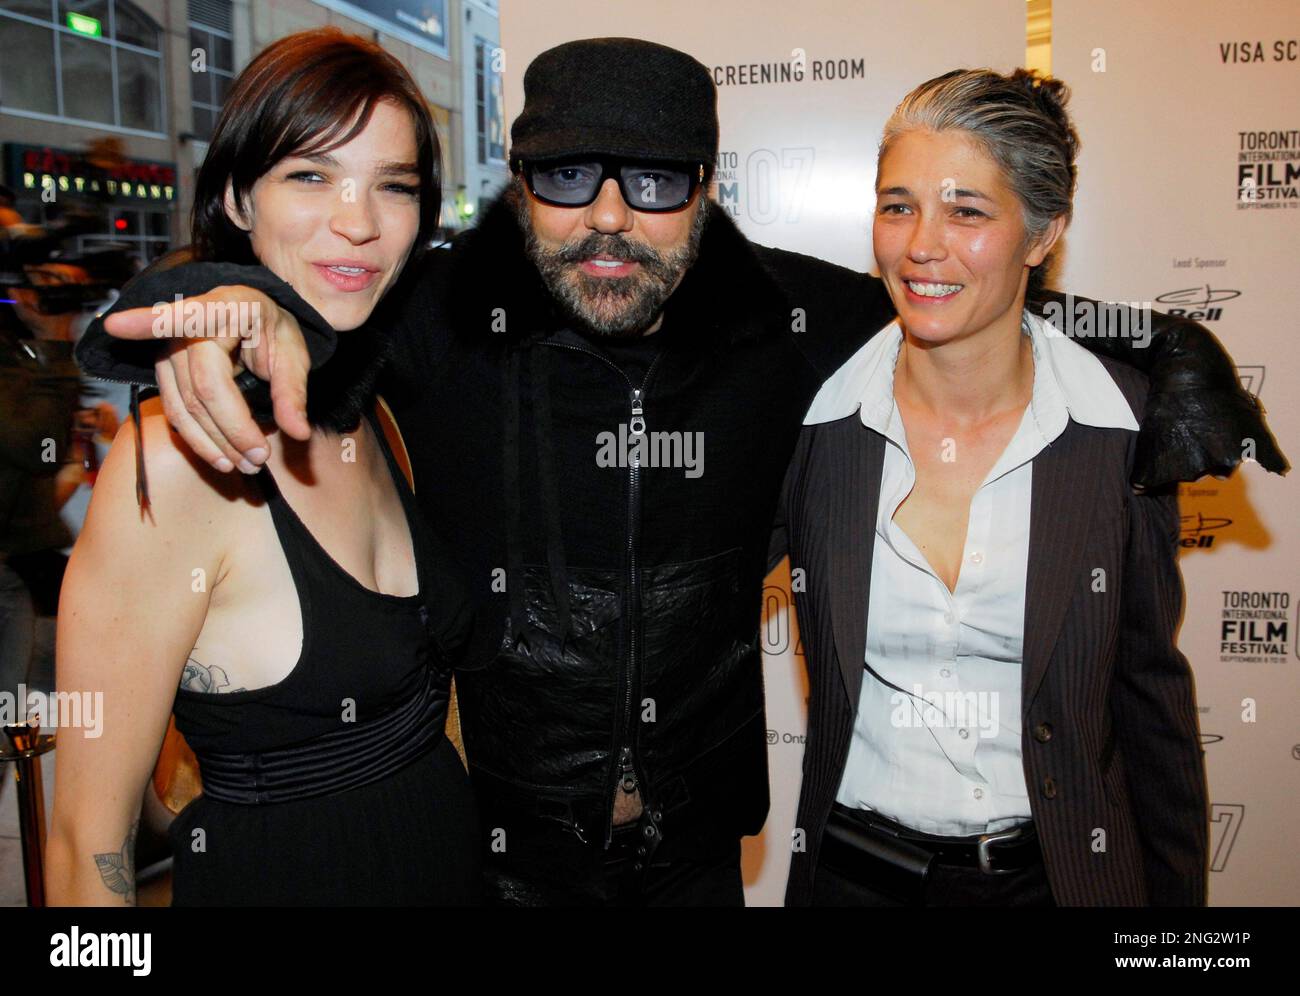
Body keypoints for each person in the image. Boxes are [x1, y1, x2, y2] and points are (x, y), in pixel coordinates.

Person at [73, 39, 1283, 906]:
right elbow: (286, 295)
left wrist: (1163, 352)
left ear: (706, 194)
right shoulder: (432, 319)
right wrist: (209, 298)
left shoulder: (795, 323)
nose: (607, 218)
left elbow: (964, 295)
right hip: (494, 865)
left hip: (700, 865)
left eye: (652, 183)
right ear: (518, 187)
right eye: (565, 178)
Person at [45, 28, 482, 906]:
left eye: (393, 186)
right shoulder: (174, 461)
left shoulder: (382, 407)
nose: (358, 221)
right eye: (311, 175)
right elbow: (83, 845)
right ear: (240, 198)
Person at [780, 69, 1210, 907]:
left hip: (1055, 883)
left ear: (1043, 234)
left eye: (967, 212)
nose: (920, 245)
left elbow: (1149, 696)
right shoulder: (818, 417)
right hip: (851, 879)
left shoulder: (1117, 429)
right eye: (897, 206)